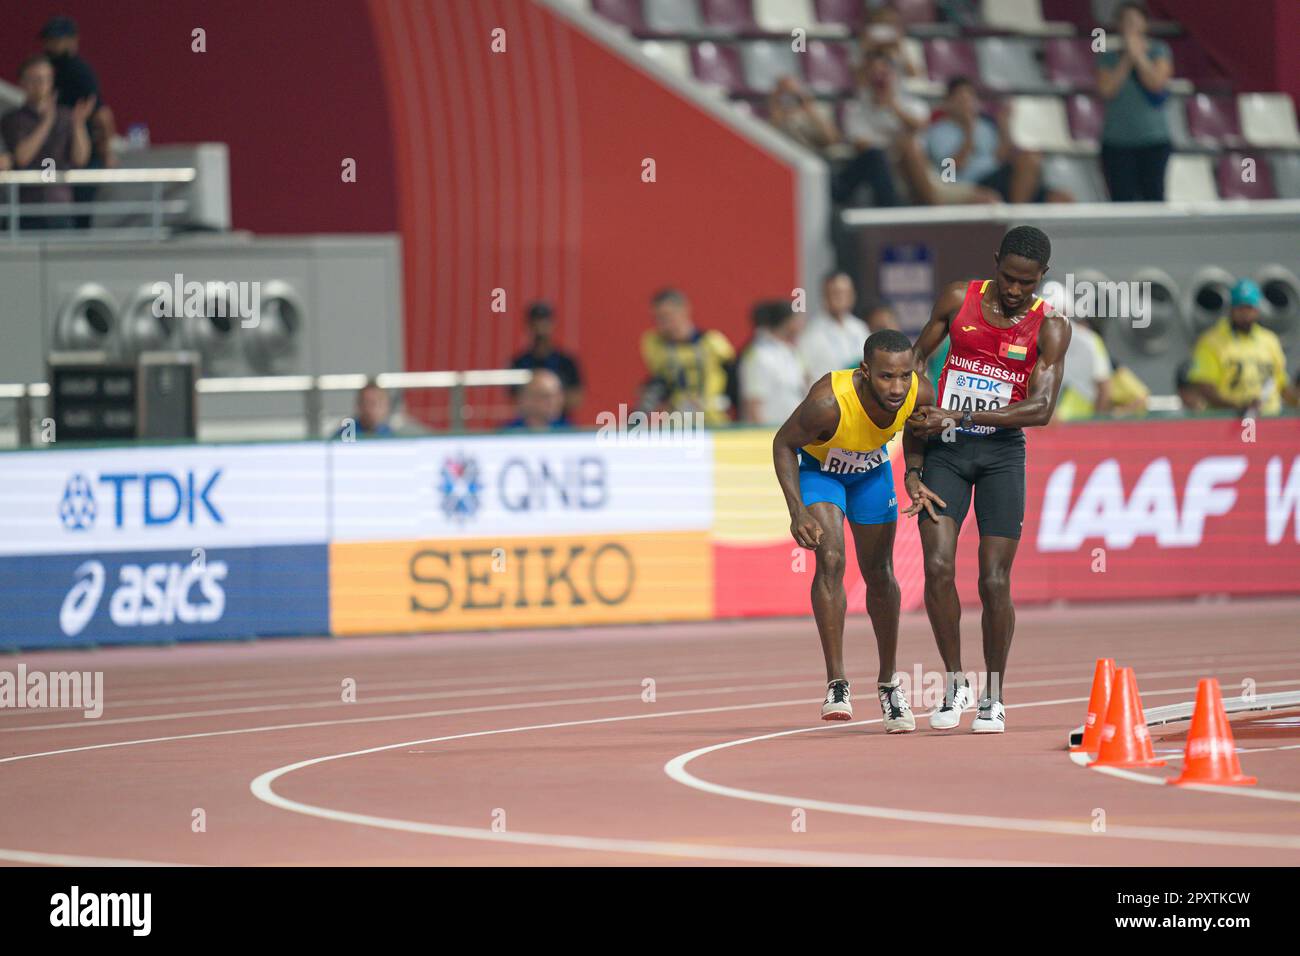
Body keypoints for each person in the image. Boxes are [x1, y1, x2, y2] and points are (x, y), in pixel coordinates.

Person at [905, 226, 1071, 734]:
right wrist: (923, 421)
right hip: (945, 455)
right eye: (1007, 277)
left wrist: (959, 416)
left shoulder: (1052, 327)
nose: (1015, 290)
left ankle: (994, 695)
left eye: (1027, 282)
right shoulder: (960, 298)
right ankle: (955, 683)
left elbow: (1041, 409)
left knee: (994, 580)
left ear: (1043, 277)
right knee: (936, 567)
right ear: (995, 262)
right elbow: (913, 363)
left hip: (1001, 457)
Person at [773, 329, 943, 732]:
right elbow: (782, 443)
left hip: (870, 472)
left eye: (904, 376)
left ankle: (889, 684)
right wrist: (797, 510)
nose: (897, 387)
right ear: (865, 372)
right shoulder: (827, 402)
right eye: (886, 377)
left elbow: (918, 431)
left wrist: (914, 473)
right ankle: (837, 684)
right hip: (821, 473)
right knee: (830, 560)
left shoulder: (920, 392)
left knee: (880, 573)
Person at [925, 77, 1071, 204]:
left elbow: (999, 157)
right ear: (949, 102)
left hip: (999, 177)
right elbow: (949, 172)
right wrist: (968, 132)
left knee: (1061, 197)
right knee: (1027, 159)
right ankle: (1017, 222)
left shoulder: (985, 127)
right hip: (975, 183)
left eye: (970, 99)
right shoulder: (939, 132)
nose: (967, 104)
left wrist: (1004, 127)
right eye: (961, 99)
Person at [0, 54, 93, 230]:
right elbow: (22, 157)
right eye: (34, 79)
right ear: (22, 83)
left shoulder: (66, 117)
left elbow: (81, 159)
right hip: (27, 208)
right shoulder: (13, 119)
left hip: (60, 205)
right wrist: (47, 121)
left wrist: (79, 125)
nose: (40, 85)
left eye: (45, 79)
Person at [41, 16, 117, 227]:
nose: (51, 44)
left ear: (72, 40)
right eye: (48, 39)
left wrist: (107, 152)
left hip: (86, 150)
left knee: (81, 204)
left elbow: (103, 114)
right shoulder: (50, 69)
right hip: (60, 152)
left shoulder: (77, 70)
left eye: (56, 39)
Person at [1096, 1, 1173, 202]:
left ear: (1145, 24)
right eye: (1125, 21)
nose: (1130, 26)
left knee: (1154, 196)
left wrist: (1138, 56)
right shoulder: (1107, 57)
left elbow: (1156, 83)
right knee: (1121, 199)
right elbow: (1107, 90)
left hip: (1153, 139)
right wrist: (1127, 58)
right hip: (1117, 141)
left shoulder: (1159, 51)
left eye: (1134, 21)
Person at [835, 53, 936, 206]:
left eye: (884, 74)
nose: (879, 79)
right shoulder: (855, 109)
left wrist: (893, 106)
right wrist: (896, 146)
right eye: (874, 74)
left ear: (895, 76)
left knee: (910, 147)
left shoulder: (913, 104)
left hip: (919, 169)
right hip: (883, 169)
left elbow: (919, 126)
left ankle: (931, 208)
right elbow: (861, 145)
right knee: (882, 156)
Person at [1185, 279, 1288, 416]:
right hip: (1228, 423)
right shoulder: (1211, 342)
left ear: (1257, 310)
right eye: (1240, 308)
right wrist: (1237, 407)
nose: (1245, 314)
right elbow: (1204, 387)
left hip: (1268, 421)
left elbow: (1281, 383)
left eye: (1249, 308)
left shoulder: (1269, 341)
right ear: (1231, 309)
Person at [639, 288, 736, 427]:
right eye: (657, 318)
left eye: (667, 316)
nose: (662, 323)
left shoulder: (712, 343)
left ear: (684, 310)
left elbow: (734, 381)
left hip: (714, 423)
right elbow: (661, 382)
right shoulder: (654, 344)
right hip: (676, 425)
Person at [509, 301, 582, 422]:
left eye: (544, 321)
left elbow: (577, 397)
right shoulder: (519, 362)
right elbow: (513, 396)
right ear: (528, 326)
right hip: (526, 423)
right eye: (536, 321)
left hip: (559, 424)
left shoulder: (566, 362)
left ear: (552, 324)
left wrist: (548, 402)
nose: (540, 326)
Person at [739, 300, 807, 425]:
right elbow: (754, 403)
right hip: (769, 435)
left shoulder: (792, 353)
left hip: (792, 434)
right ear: (787, 322)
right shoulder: (759, 355)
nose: (801, 323)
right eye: (797, 319)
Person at [799, 272, 870, 381]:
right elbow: (805, 374)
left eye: (845, 293)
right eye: (836, 293)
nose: (841, 298)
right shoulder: (812, 332)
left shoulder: (860, 327)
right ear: (825, 296)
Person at [768, 75, 840, 155]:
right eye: (784, 92)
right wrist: (775, 105)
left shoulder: (820, 109)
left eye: (794, 92)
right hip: (790, 155)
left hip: (818, 154)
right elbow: (771, 140)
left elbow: (831, 139)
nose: (790, 98)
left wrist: (810, 110)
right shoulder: (779, 116)